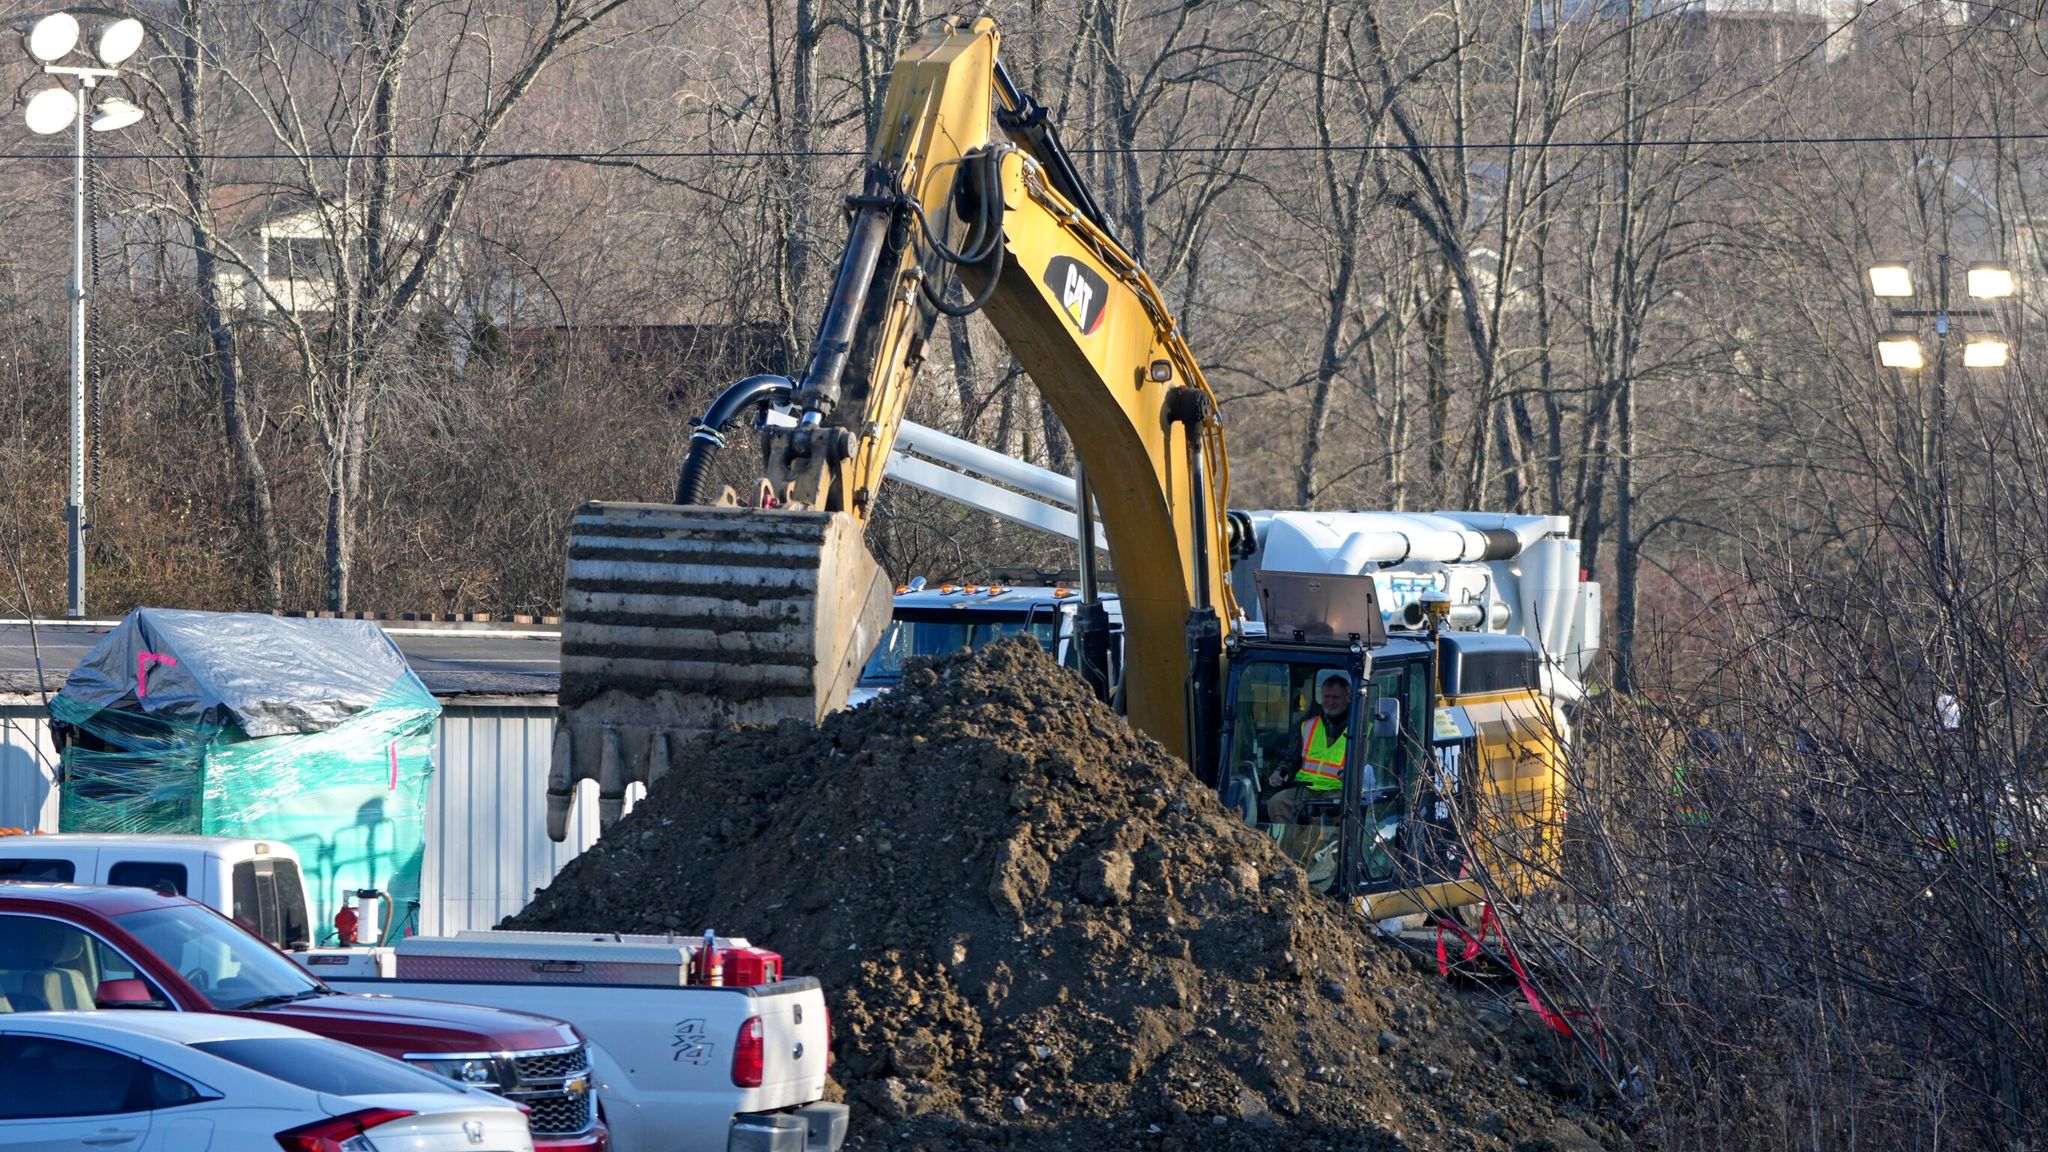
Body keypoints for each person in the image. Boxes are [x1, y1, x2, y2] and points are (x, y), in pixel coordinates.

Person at [1265, 671, 1355, 823]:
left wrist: (1352, 775)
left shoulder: (1361, 729)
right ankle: (1283, 844)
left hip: (1338, 790)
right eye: (1326, 697)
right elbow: (1290, 756)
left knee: (1326, 813)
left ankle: (1312, 846)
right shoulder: (1308, 726)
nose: (1330, 702)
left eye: (1335, 698)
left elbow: (1370, 766)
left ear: (1348, 698)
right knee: (1277, 802)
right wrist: (1281, 771)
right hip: (1306, 789)